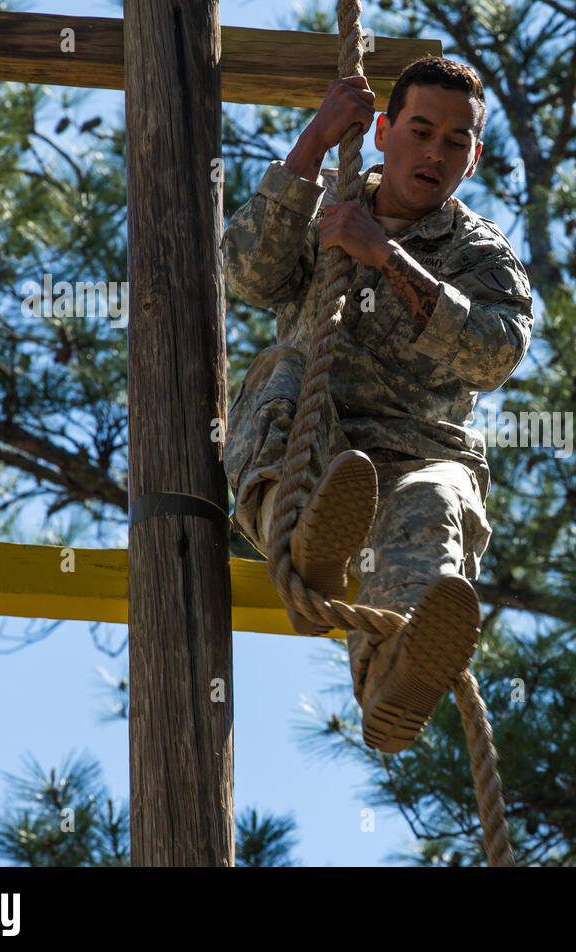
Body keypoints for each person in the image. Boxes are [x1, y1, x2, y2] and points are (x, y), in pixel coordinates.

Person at [221, 56, 534, 753]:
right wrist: (314, 143)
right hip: (319, 441)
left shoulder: (480, 254)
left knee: (440, 504)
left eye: (456, 142)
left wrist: (388, 258)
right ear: (385, 133)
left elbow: (496, 353)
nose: (435, 153)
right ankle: (300, 538)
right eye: (421, 131)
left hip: (421, 453)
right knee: (277, 372)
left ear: (474, 159)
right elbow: (246, 273)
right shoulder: (329, 208)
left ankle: (390, 674)